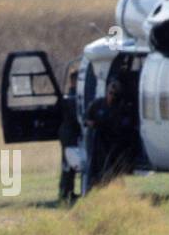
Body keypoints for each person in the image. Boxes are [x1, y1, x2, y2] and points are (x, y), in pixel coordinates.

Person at [84, 78, 138, 188]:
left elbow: (127, 124)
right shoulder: (97, 104)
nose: (112, 96)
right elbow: (86, 120)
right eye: (110, 93)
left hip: (114, 143)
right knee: (97, 167)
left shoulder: (122, 108)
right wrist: (92, 124)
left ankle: (113, 189)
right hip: (99, 142)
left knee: (114, 170)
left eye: (115, 94)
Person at [57, 69, 82, 205]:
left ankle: (67, 192)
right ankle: (65, 193)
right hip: (69, 135)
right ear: (73, 82)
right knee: (68, 165)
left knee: (68, 165)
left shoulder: (72, 97)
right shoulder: (71, 98)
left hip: (68, 134)